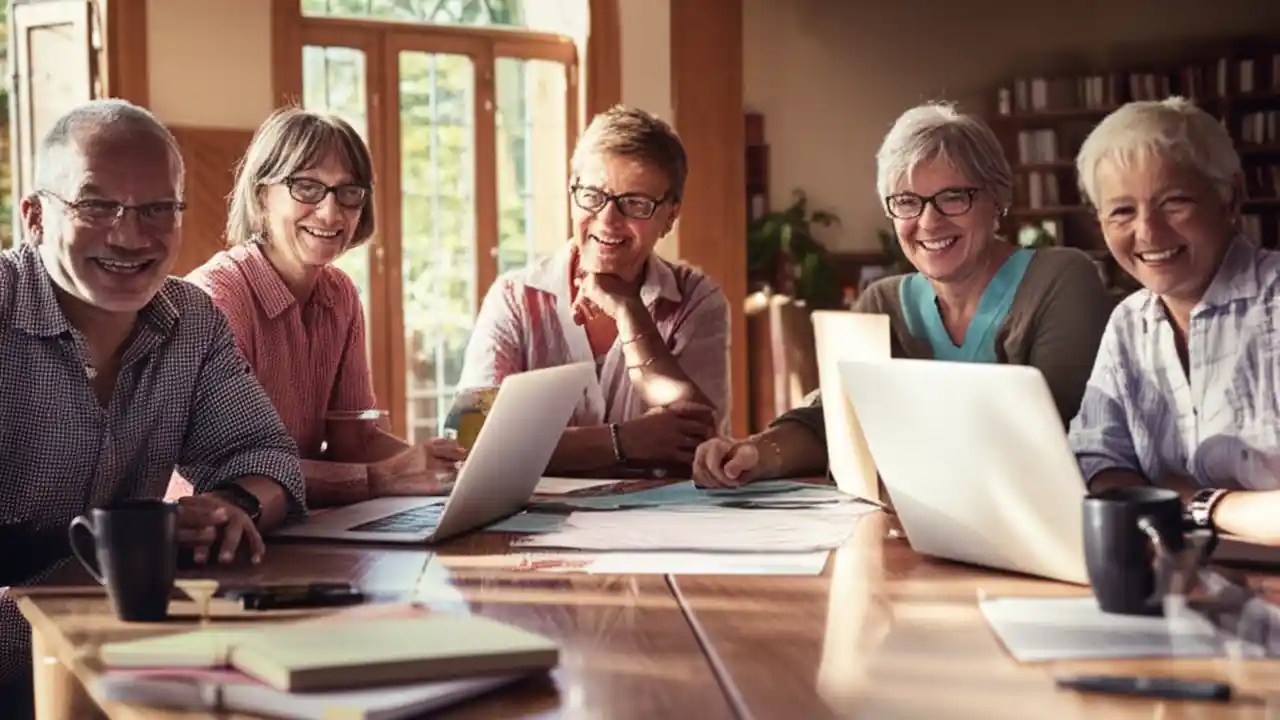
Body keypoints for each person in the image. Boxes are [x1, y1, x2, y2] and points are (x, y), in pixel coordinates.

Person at [0, 100, 305, 714]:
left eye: (158, 208)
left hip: (126, 653)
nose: (131, 234)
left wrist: (228, 508)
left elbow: (269, 457)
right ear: (34, 216)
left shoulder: (190, 320)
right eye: (95, 205)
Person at [694, 101, 1112, 488]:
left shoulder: (1061, 280)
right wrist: (755, 453)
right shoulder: (882, 304)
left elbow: (1054, 431)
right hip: (912, 538)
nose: (928, 222)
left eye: (953, 197)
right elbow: (835, 420)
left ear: (997, 200)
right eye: (907, 202)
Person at [181, 108, 463, 507]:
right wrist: (385, 477)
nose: (331, 213)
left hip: (304, 525)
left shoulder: (340, 294)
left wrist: (443, 467)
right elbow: (237, 471)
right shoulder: (216, 300)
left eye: (348, 193)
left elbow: (353, 441)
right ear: (262, 195)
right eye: (307, 188)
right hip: (216, 535)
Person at [458, 105, 729, 475]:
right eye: (592, 195)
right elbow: (470, 438)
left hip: (660, 525)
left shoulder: (697, 300)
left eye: (635, 203)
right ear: (573, 193)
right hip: (533, 526)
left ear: (670, 216)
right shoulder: (514, 299)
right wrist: (625, 441)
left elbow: (698, 441)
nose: (607, 220)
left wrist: (629, 311)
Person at [1069, 97, 1280, 544]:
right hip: (1173, 574)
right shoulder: (1128, 322)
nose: (1147, 232)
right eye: (1122, 211)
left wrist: (1199, 503)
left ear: (1232, 198)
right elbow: (1098, 462)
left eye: (1174, 202)